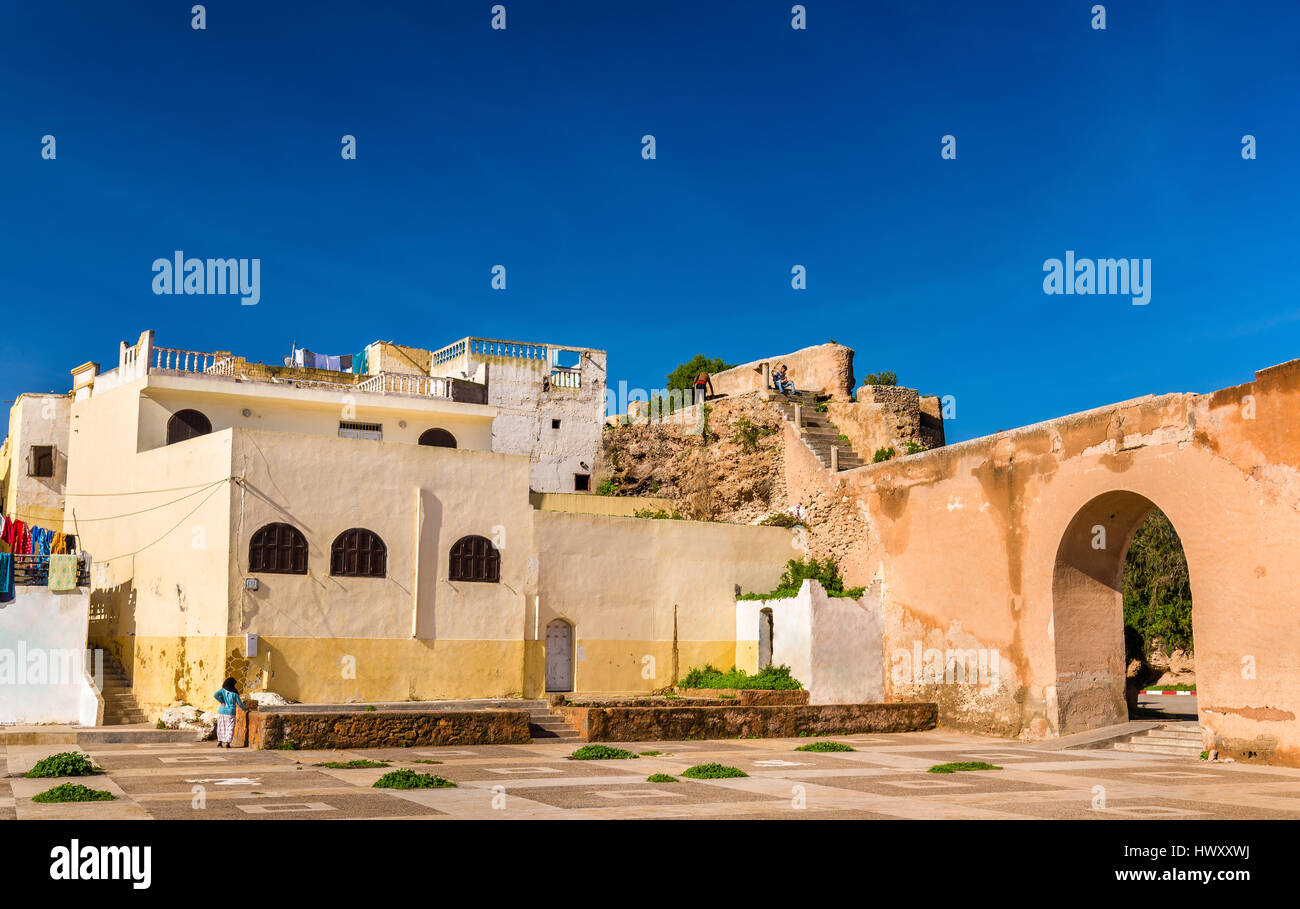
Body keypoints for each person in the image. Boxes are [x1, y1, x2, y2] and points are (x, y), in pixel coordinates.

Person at [213, 677, 246, 748]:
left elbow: (215, 695)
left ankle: (220, 742)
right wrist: (245, 709)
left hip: (221, 711)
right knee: (230, 727)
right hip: (230, 712)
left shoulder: (222, 690)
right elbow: (240, 704)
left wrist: (221, 701)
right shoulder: (235, 693)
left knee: (221, 726)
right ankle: (228, 743)